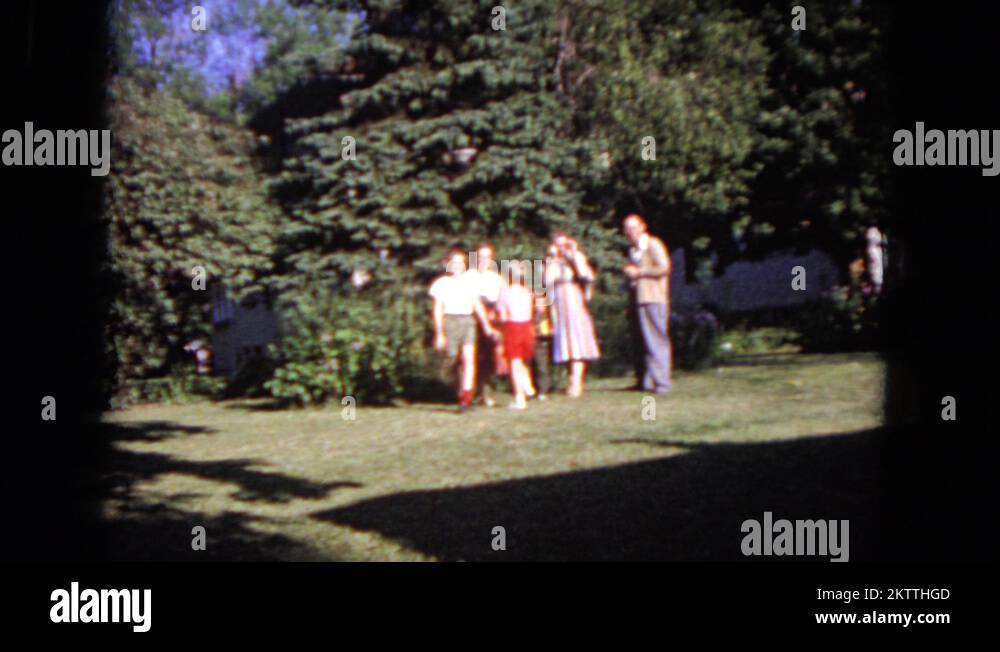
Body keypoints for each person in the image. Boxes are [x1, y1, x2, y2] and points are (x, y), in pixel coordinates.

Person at [429, 248, 498, 412]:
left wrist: (487, 326)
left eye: (461, 262)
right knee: (453, 358)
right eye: (454, 262)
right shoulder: (441, 284)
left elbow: (477, 305)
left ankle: (466, 397)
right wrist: (439, 333)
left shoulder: (470, 282)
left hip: (468, 321)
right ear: (446, 264)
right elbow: (438, 309)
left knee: (469, 359)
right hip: (450, 322)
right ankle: (457, 386)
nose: (458, 266)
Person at [545, 232, 600, 397]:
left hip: (573, 298)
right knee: (565, 339)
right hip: (558, 301)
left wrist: (573, 256)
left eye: (564, 244)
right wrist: (553, 260)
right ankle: (571, 379)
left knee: (577, 338)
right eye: (558, 244)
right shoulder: (551, 261)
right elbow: (546, 281)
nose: (562, 248)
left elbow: (586, 275)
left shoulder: (577, 257)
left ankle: (577, 381)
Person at [623, 214, 672, 394]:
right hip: (638, 299)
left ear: (643, 227)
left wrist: (639, 272)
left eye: (634, 227)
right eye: (627, 228)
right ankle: (645, 380)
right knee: (641, 341)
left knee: (656, 340)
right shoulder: (633, 250)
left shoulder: (653, 244)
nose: (631, 232)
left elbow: (664, 267)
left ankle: (662, 383)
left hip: (654, 298)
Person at [496, 261, 537, 409]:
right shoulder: (527, 291)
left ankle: (520, 397)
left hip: (513, 327)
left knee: (514, 363)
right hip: (527, 325)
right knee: (523, 360)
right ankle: (527, 385)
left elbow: (502, 316)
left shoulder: (505, 292)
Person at [468, 242, 504, 407]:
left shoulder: (496, 278)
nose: (484, 260)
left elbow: (501, 300)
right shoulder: (469, 276)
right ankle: (470, 392)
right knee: (471, 358)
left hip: (491, 318)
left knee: (488, 358)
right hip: (472, 319)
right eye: (481, 256)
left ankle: (486, 392)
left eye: (487, 256)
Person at [532, 246, 560, 399]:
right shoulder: (538, 279)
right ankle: (542, 387)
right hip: (540, 320)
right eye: (548, 257)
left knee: (547, 354)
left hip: (551, 319)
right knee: (540, 354)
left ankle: (546, 386)